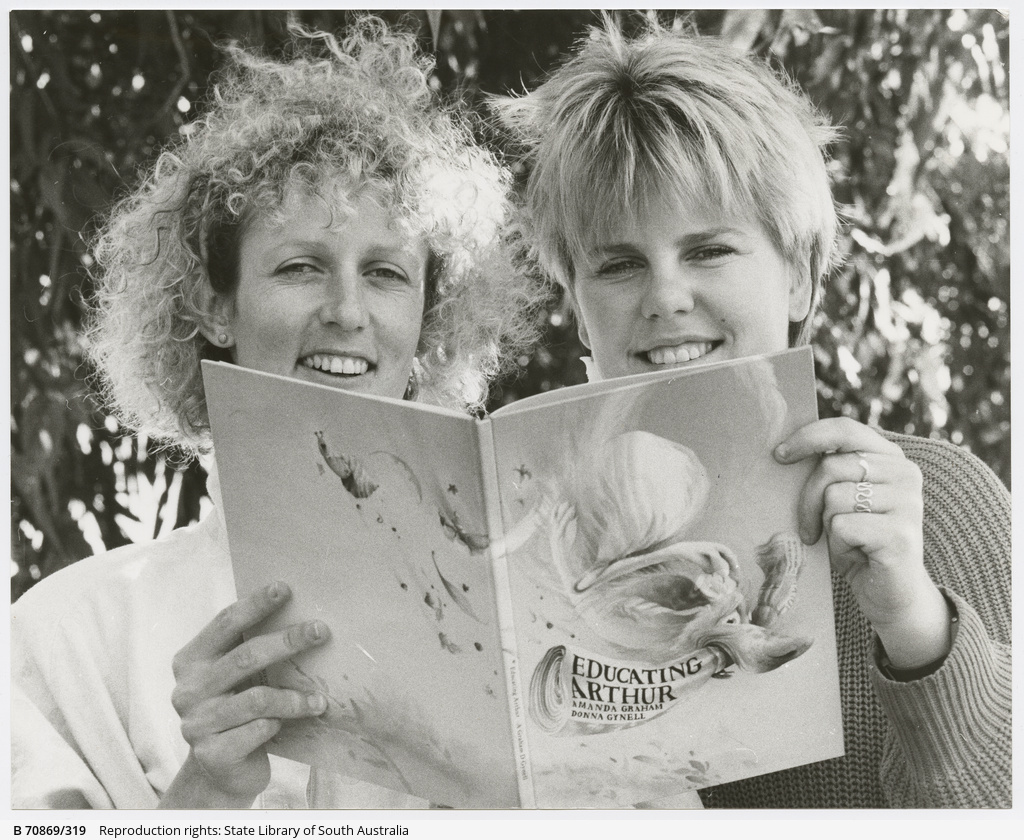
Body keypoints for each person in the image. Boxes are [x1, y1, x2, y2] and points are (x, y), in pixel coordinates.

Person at [11, 18, 540, 809]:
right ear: (214, 304)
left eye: (388, 273)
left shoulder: (539, 618)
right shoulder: (69, 638)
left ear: (431, 318)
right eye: (300, 266)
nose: (347, 311)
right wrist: (205, 795)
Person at [493, 17, 1011, 809]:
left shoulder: (937, 507)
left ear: (800, 276)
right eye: (621, 264)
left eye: (708, 250)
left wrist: (913, 623)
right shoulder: (533, 537)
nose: (665, 297)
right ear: (577, 303)